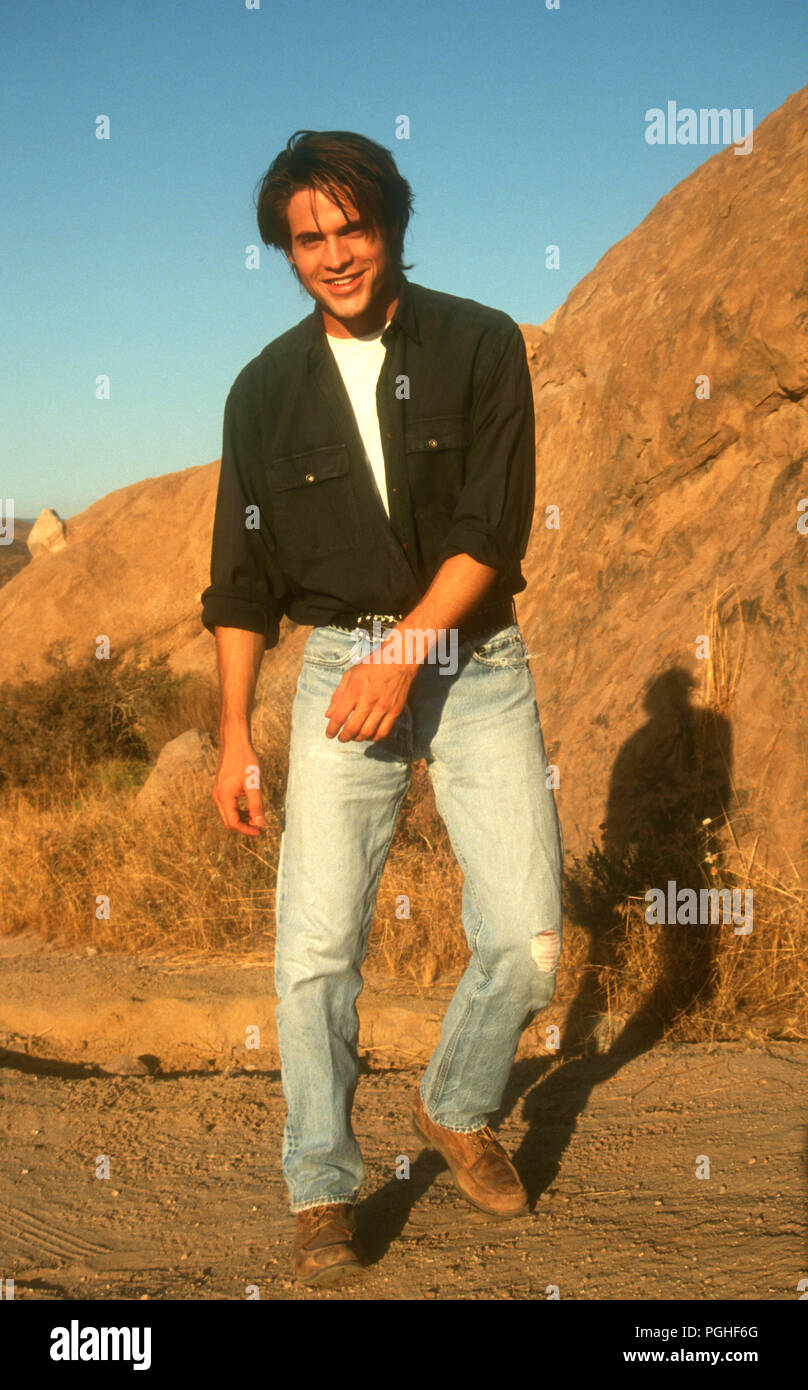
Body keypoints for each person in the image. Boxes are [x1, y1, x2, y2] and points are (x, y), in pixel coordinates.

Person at [201, 129, 564, 1288]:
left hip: (471, 659)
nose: (334, 254)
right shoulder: (263, 392)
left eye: (351, 227)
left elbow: (490, 530)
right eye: (306, 238)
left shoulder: (478, 343)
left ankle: (456, 1102)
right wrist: (232, 736)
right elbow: (241, 582)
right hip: (336, 673)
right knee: (315, 951)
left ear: (392, 223)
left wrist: (405, 655)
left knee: (527, 937)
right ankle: (321, 1185)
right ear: (285, 251)